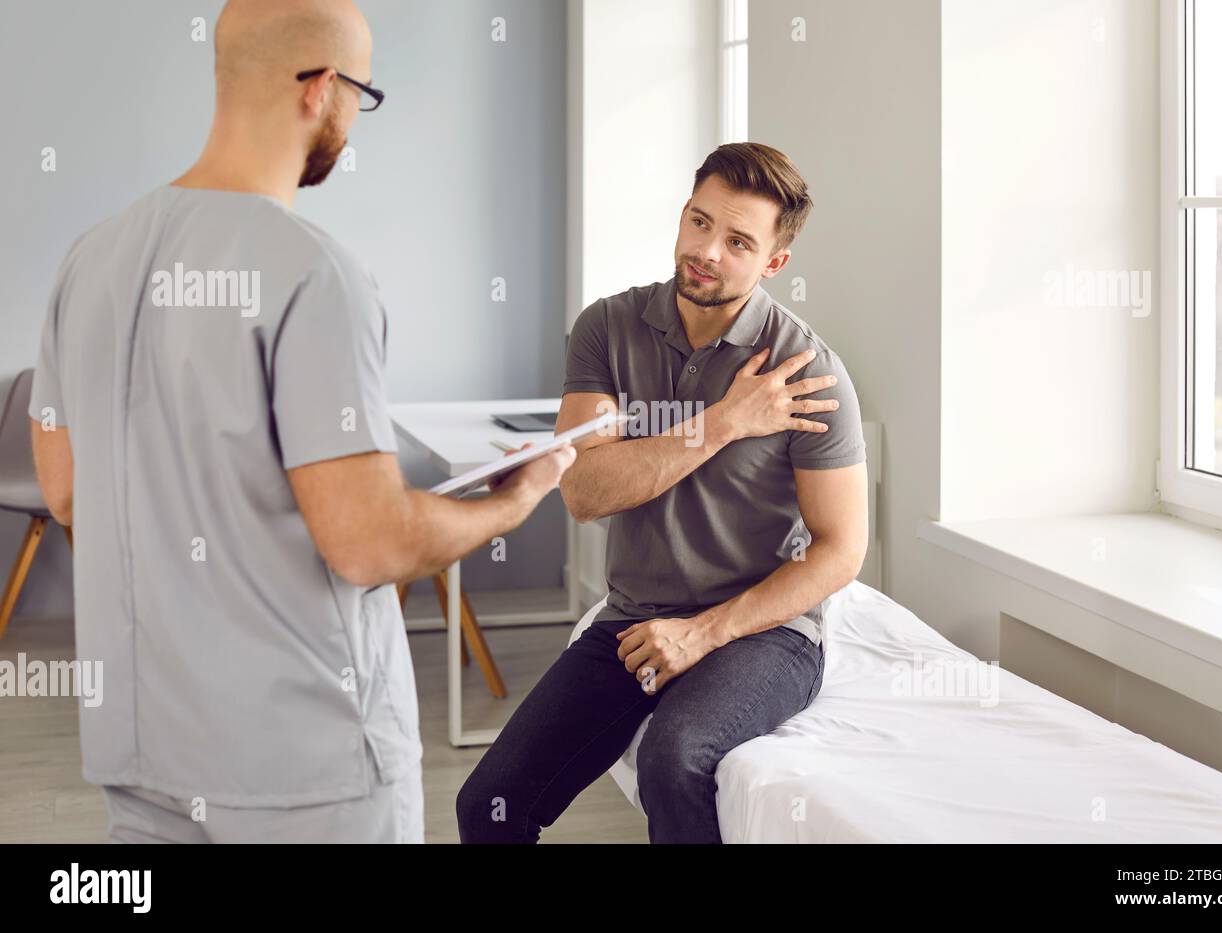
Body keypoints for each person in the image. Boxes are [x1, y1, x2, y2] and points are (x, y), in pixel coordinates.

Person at [28, 0, 573, 843]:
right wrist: (515, 499)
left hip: (142, 753)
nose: (355, 120)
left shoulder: (88, 260)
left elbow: (64, 494)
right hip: (305, 769)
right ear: (319, 89)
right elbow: (370, 542)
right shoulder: (313, 272)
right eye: (362, 94)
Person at [457, 142, 868, 844]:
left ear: (773, 263)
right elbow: (584, 490)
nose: (706, 250)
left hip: (765, 634)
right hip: (634, 619)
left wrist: (703, 632)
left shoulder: (807, 371)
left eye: (738, 241)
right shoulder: (607, 329)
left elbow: (841, 551)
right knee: (489, 802)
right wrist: (723, 424)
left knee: (674, 759)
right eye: (698, 221)